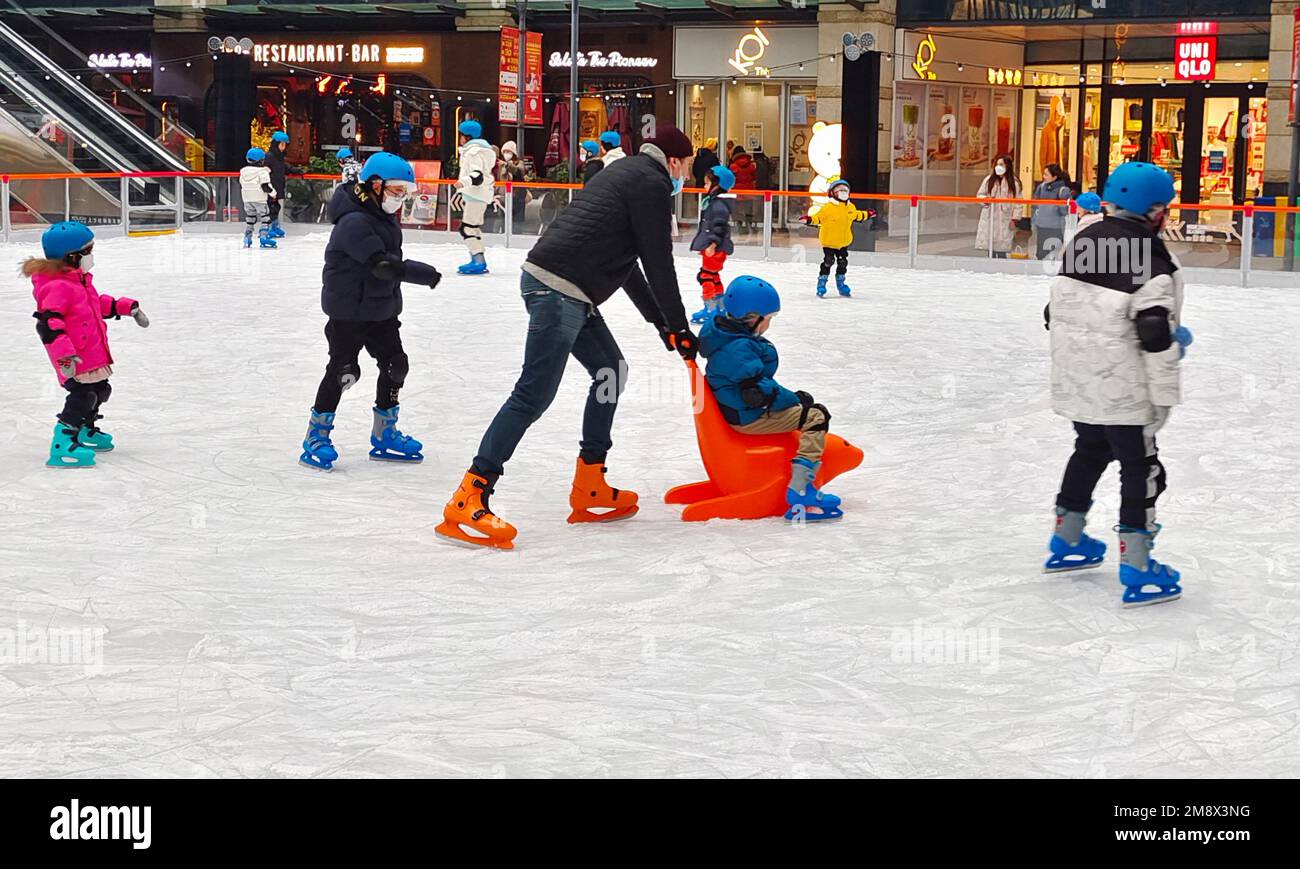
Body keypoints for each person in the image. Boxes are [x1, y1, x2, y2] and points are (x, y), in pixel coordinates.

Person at [436, 125, 700, 550]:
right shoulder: (650, 183)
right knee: (533, 394)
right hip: (557, 289)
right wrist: (680, 327)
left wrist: (664, 326)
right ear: (673, 161)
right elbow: (658, 262)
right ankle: (470, 495)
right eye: (686, 167)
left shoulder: (625, 172)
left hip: (565, 287)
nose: (684, 175)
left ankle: (590, 481)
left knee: (610, 370)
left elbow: (629, 265)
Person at [1044, 161, 1189, 606]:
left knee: (1088, 450)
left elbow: (1054, 315)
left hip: (1081, 379)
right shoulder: (1151, 255)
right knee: (1140, 466)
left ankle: (1067, 538)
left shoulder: (1082, 241)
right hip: (1125, 387)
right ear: (1156, 210)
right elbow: (1151, 333)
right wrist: (1175, 345)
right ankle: (1139, 562)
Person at [300, 153, 442, 472]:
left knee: (396, 366)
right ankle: (316, 435)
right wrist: (424, 274)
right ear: (374, 185)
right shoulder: (353, 221)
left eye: (404, 192)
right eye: (396, 191)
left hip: (381, 309)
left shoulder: (380, 215)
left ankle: (385, 433)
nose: (400, 198)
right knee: (344, 371)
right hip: (348, 311)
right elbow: (381, 265)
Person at [698, 276, 841, 522]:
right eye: (769, 319)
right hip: (747, 417)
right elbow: (760, 394)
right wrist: (794, 399)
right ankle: (801, 490)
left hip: (736, 408)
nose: (769, 325)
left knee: (805, 407)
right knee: (816, 416)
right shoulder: (738, 349)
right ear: (752, 317)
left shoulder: (723, 335)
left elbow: (756, 386)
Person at [25, 221, 150, 469]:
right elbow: (49, 325)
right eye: (88, 251)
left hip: (90, 353)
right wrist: (65, 357)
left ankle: (85, 430)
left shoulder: (77, 280)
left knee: (101, 391)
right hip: (74, 357)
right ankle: (62, 442)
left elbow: (93, 306)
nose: (91, 256)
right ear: (71, 256)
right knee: (83, 395)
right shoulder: (56, 286)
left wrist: (126, 307)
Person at [802, 179, 873, 297]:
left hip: (843, 241)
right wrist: (808, 220)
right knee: (828, 261)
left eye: (845, 190)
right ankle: (821, 283)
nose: (843, 192)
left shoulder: (850, 207)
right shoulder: (828, 208)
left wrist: (868, 214)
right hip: (829, 242)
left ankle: (841, 284)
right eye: (839, 190)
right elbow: (818, 218)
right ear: (832, 193)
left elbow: (857, 215)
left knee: (842, 262)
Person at [689, 165, 736, 323]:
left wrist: (712, 245)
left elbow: (719, 227)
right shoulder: (716, 202)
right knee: (713, 275)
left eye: (707, 183)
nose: (704, 186)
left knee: (706, 275)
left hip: (715, 248)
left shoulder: (718, 205)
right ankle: (720, 307)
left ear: (717, 185)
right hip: (714, 247)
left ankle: (710, 309)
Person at [455, 120, 495, 275]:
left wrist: (462, 182)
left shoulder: (473, 152)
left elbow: (477, 176)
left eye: (461, 135)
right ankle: (477, 259)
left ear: (467, 136)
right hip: (478, 195)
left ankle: (478, 260)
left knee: (467, 228)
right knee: (473, 227)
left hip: (475, 194)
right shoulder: (479, 150)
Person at [975, 154, 1019, 258]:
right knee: (991, 247)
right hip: (990, 217)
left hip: (1005, 218)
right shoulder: (989, 180)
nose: (998, 167)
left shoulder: (1014, 182)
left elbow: (1019, 202)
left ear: (1007, 166)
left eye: (1001, 164)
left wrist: (1015, 219)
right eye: (997, 164)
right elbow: (979, 195)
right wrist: (985, 200)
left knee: (1002, 247)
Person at [1031, 163, 1072, 260]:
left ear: (1054, 177)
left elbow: (1066, 210)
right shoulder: (1041, 188)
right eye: (1044, 174)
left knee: (1053, 254)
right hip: (1041, 226)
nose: (1043, 177)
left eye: (1046, 174)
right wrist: (1034, 221)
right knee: (1040, 254)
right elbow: (1035, 205)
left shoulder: (1063, 190)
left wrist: (1057, 207)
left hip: (1055, 229)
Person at [239, 147, 277, 249]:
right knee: (265, 217)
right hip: (260, 199)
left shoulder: (243, 172)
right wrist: (273, 193)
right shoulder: (262, 172)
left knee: (250, 218)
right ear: (261, 160)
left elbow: (242, 184)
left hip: (247, 199)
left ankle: (248, 236)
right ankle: (264, 236)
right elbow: (265, 187)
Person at [264, 130, 291, 239]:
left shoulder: (279, 157)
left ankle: (274, 226)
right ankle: (269, 228)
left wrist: (296, 170)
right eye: (282, 144)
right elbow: (264, 172)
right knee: (271, 208)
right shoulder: (269, 156)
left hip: (278, 186)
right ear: (276, 144)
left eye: (285, 145)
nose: (283, 147)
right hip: (270, 188)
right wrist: (267, 187)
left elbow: (285, 167)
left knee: (276, 207)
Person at [498, 141, 528, 230]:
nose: (506, 154)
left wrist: (507, 165)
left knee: (517, 223)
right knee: (504, 223)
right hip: (504, 199)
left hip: (517, 198)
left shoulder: (519, 163)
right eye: (504, 152)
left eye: (509, 152)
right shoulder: (502, 166)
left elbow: (518, 171)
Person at [728, 146, 758, 232]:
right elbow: (754, 178)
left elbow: (731, 179)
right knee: (748, 210)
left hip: (737, 193)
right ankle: (751, 225)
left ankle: (740, 227)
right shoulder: (751, 166)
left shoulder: (733, 166)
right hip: (749, 192)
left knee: (738, 211)